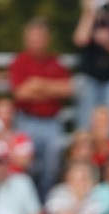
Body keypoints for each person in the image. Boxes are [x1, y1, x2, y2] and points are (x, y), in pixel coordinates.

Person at [9, 17, 74, 200]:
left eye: (40, 36)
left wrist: (38, 84)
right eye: (33, 37)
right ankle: (26, 201)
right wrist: (52, 90)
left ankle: (44, 200)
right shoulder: (20, 61)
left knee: (52, 164)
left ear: (47, 39)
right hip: (27, 120)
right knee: (24, 163)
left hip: (51, 122)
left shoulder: (55, 61)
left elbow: (68, 89)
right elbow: (21, 93)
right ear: (26, 39)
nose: (37, 41)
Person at [72, 0, 109, 131]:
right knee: (85, 123)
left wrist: (108, 43)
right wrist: (90, 12)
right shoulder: (88, 21)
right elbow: (80, 39)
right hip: (89, 79)